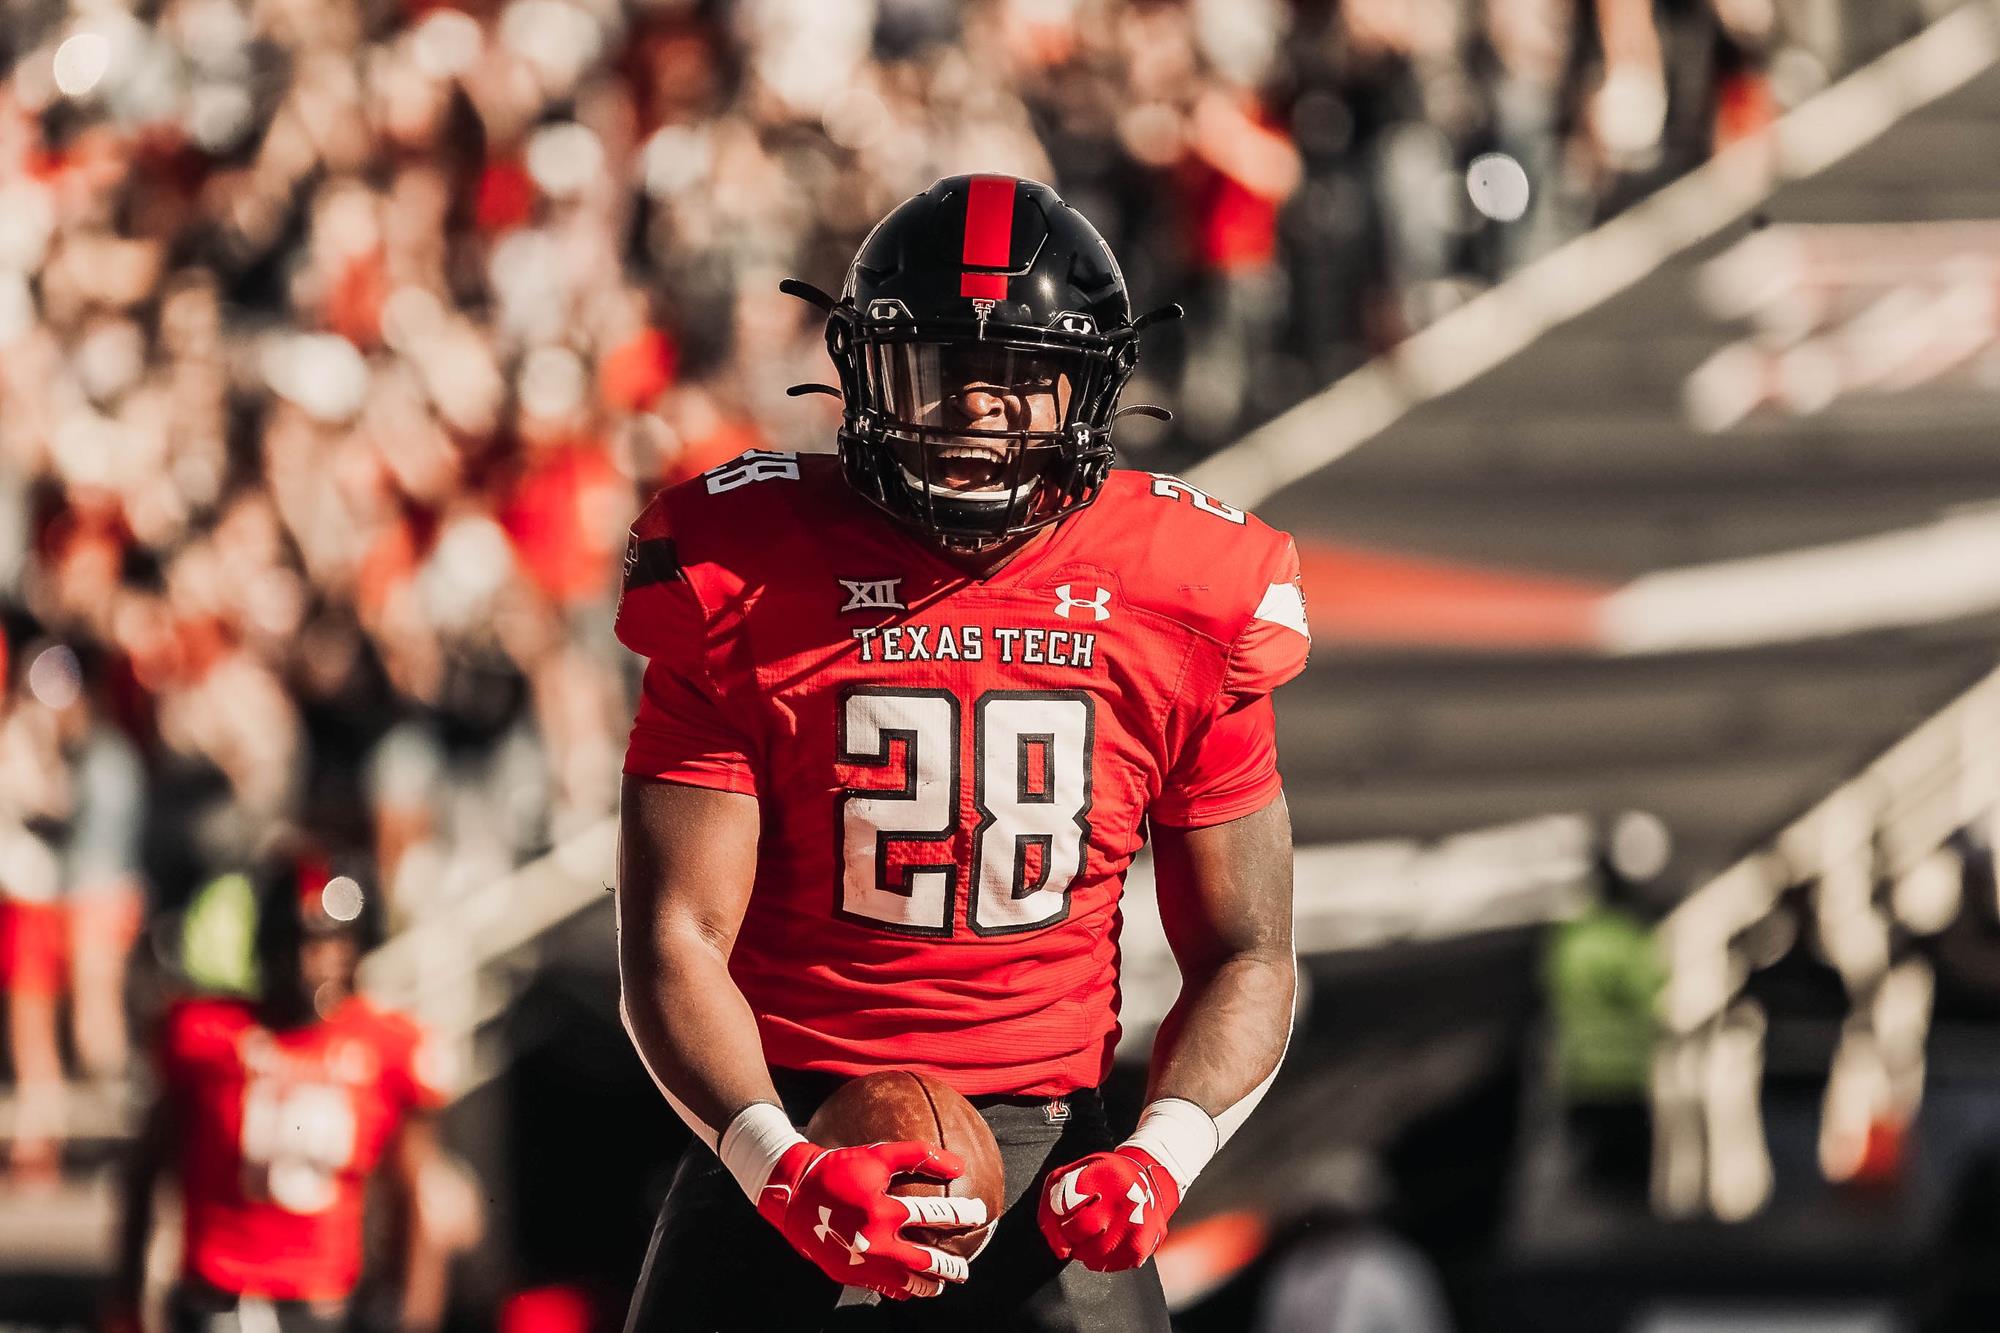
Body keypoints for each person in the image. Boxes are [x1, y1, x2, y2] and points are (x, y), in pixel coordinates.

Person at [616, 174, 1310, 1331]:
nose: (977, 409)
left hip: (1050, 1151)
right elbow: (672, 937)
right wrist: (777, 1167)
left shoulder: (1187, 589)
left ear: (1089, 386)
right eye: (939, 369)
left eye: (1021, 376)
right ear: (863, 371)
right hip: (786, 1123)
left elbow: (1248, 951)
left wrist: (1161, 1155)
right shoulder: (738, 567)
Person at [109, 849, 450, 1333]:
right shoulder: (206, 1034)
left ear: (358, 945)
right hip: (218, 1299)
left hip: (321, 1306)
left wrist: (413, 1316)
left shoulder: (387, 1045)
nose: (311, 963)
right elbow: (145, 1171)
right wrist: (126, 1301)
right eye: (296, 943)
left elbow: (414, 1197)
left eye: (329, 943)